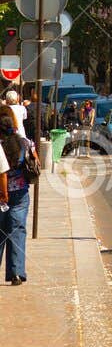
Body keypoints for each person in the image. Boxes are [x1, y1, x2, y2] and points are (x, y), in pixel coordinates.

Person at [0, 109, 36, 284]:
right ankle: (16, 273)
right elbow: (36, 161)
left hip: (1, 194)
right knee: (17, 231)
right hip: (21, 192)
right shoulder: (24, 142)